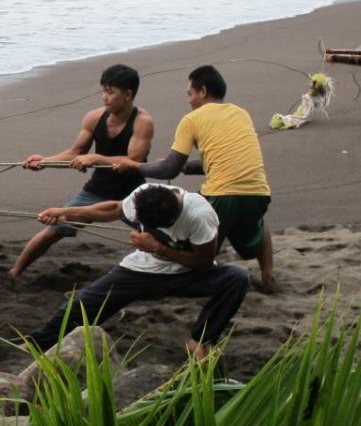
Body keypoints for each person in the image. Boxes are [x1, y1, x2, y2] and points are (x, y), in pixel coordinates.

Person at [30, 183, 251, 359]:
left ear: (173, 216)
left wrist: (159, 248)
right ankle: (37, 344)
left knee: (237, 278)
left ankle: (201, 341)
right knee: (82, 303)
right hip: (142, 270)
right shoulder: (143, 195)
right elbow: (114, 209)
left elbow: (204, 263)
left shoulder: (199, 215)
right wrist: (65, 212)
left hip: (187, 274)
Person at [110, 65, 275, 293]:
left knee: (196, 252)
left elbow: (169, 169)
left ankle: (205, 286)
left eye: (190, 94)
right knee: (258, 225)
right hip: (258, 192)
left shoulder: (192, 119)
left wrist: (136, 166)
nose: (189, 101)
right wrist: (187, 166)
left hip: (222, 194)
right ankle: (268, 276)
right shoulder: (241, 113)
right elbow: (225, 159)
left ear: (203, 92)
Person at [10, 64, 154, 277]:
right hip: (97, 190)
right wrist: (44, 161)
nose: (104, 97)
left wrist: (96, 158)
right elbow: (75, 152)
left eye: (110, 92)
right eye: (103, 90)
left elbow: (134, 160)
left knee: (157, 235)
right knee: (53, 231)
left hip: (132, 192)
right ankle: (15, 272)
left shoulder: (142, 122)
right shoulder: (94, 117)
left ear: (128, 94)